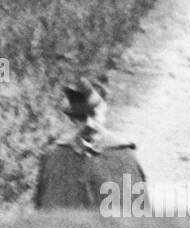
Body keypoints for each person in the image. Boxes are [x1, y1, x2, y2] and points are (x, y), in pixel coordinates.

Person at [34, 79, 147, 209]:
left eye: (92, 115)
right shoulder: (53, 158)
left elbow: (138, 216)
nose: (89, 124)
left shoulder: (124, 157)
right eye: (82, 117)